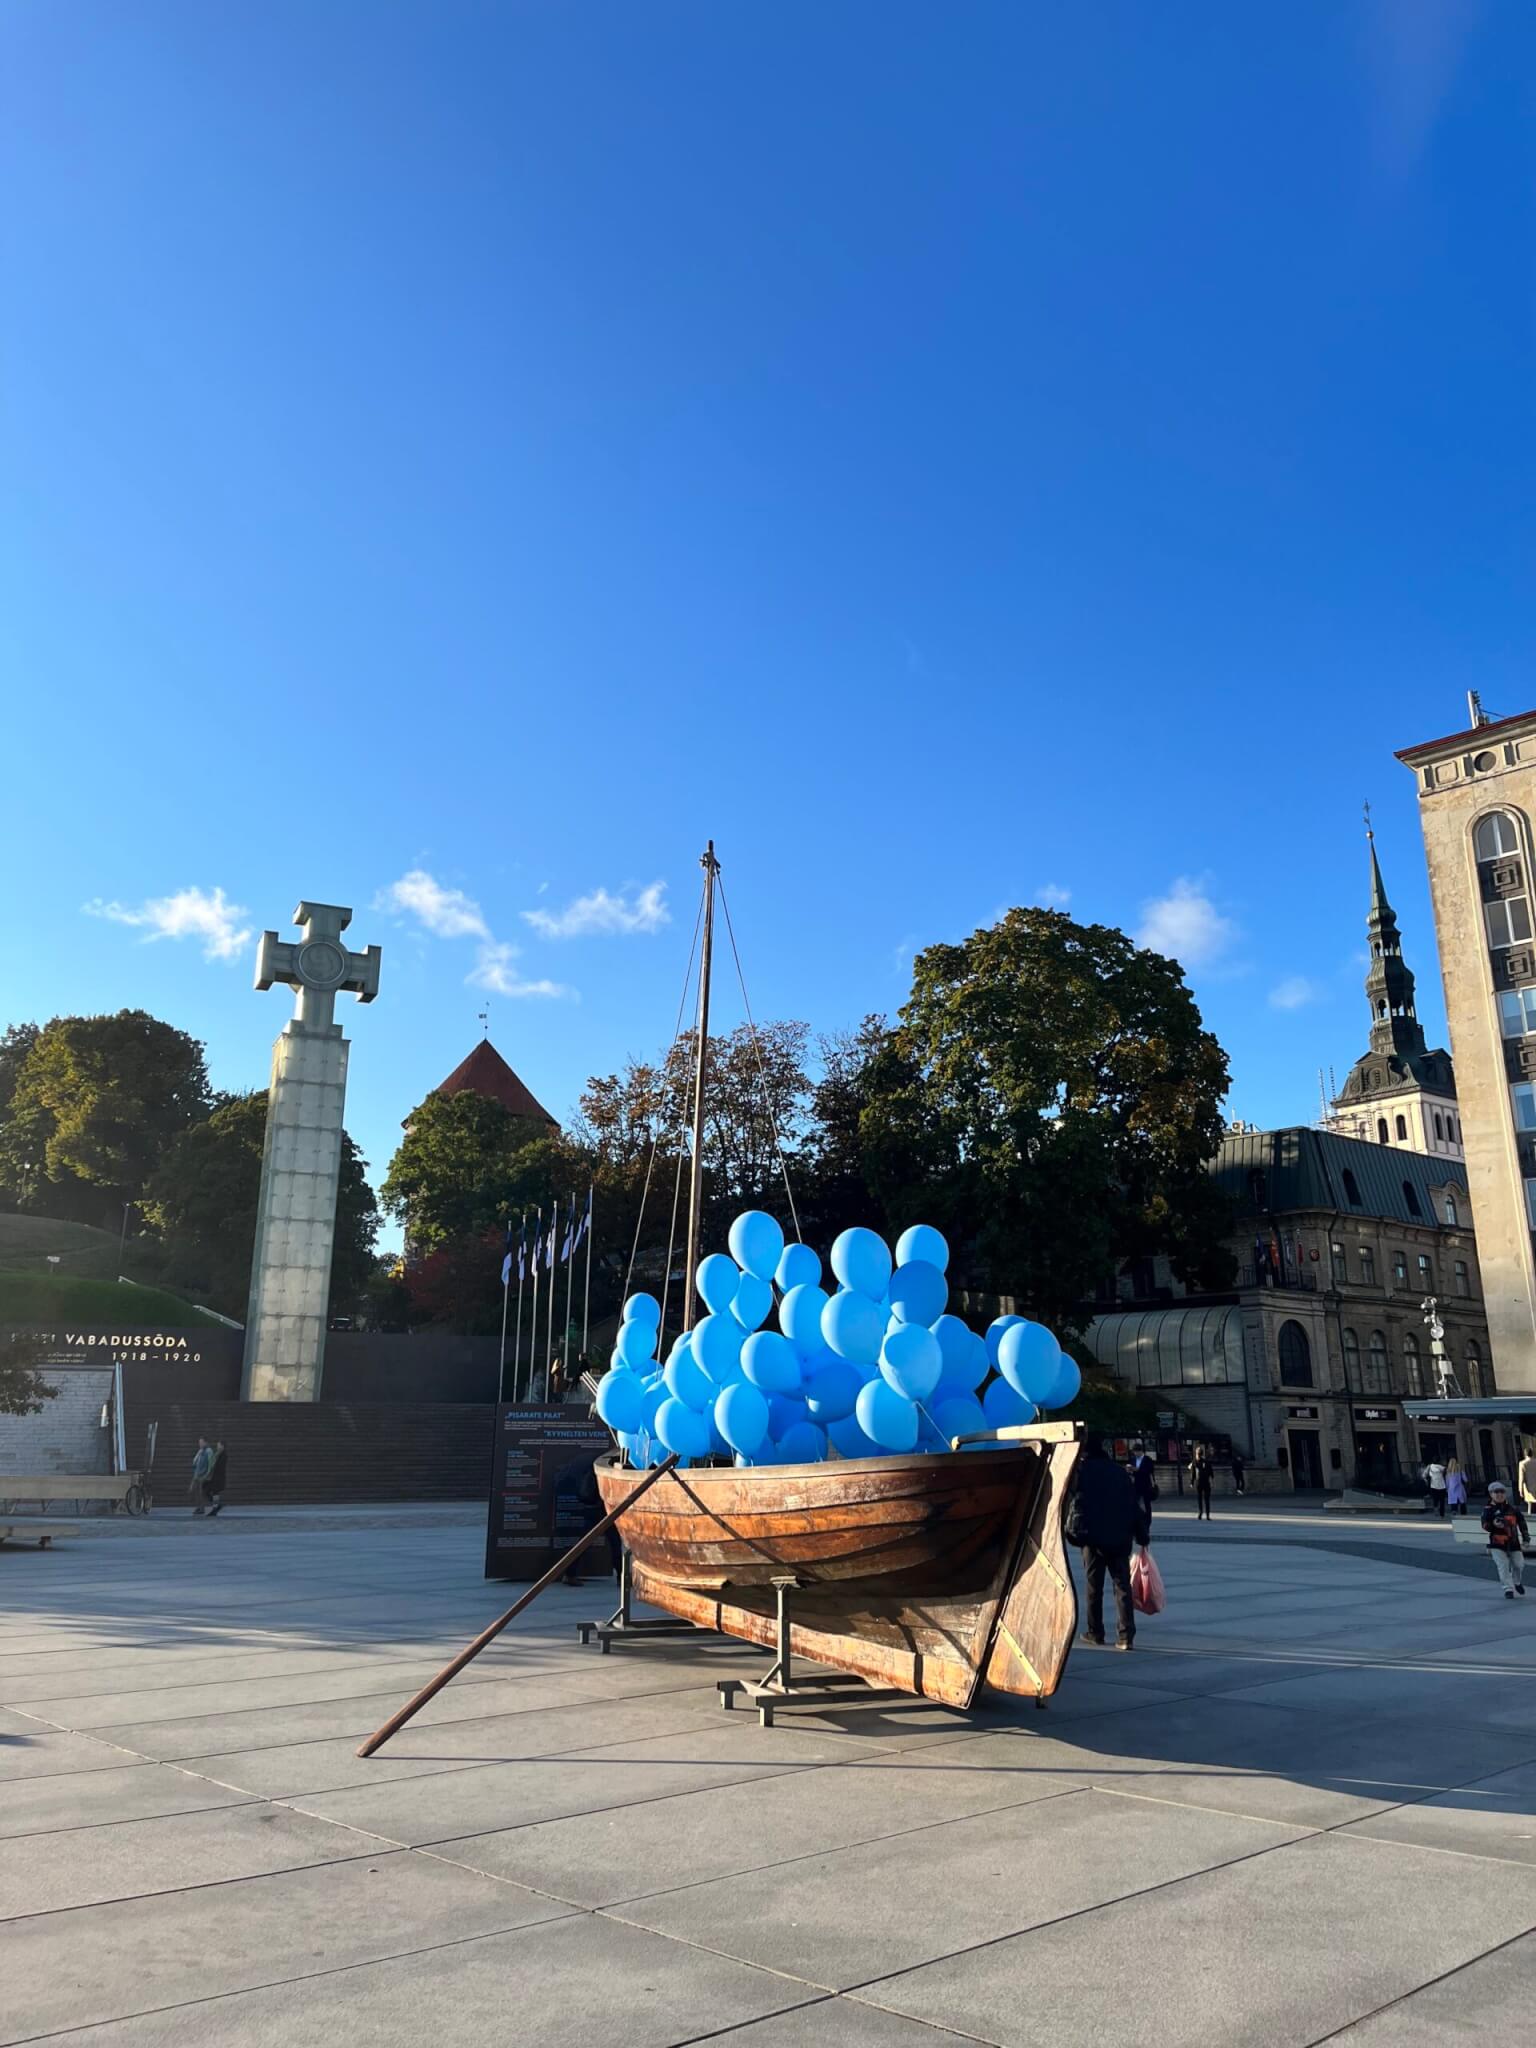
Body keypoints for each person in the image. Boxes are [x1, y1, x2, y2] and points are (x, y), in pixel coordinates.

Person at [1066, 1433, 1152, 1650]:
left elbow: (1075, 1503)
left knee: (1094, 1587)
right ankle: (1125, 1635)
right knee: (1122, 1585)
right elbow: (1133, 1505)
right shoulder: (1119, 1472)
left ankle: (1095, 1631)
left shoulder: (1082, 1472)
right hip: (1120, 1537)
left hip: (1093, 1538)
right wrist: (1142, 1535)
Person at [1481, 1480, 1529, 1599]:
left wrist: (1526, 1538)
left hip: (1513, 1542)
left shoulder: (1513, 1509)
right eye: (1496, 1492)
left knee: (1519, 1564)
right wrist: (1494, 1524)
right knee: (1503, 1566)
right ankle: (1508, 1588)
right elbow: (1485, 1526)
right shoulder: (1488, 1509)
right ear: (1491, 1494)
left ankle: (1517, 1582)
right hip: (1497, 1543)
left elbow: (1522, 1524)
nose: (1499, 1495)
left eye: (1502, 1492)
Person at [189, 1437, 213, 1515]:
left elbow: (210, 1464)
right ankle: (199, 1507)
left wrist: (207, 1474)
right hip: (197, 1475)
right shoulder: (200, 1451)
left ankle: (204, 1508)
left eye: (201, 1442)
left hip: (203, 1475)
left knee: (202, 1493)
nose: (200, 1444)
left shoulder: (209, 1451)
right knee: (196, 1492)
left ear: (206, 1442)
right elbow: (195, 1462)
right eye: (199, 1442)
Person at [1190, 1444, 1214, 1522]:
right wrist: (1212, 1480)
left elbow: (1193, 1473)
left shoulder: (1195, 1462)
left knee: (1199, 1498)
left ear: (1197, 1454)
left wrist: (1191, 1482)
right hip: (1206, 1481)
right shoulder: (1206, 1462)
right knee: (1207, 1499)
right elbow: (1211, 1472)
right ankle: (1207, 1515)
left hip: (1199, 1482)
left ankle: (1200, 1513)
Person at [205, 1441, 228, 1517]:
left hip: (218, 1478)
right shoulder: (217, 1454)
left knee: (215, 1493)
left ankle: (215, 1509)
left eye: (219, 1445)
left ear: (222, 1446)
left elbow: (219, 1467)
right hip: (214, 1477)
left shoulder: (224, 1455)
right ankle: (217, 1506)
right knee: (208, 1491)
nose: (217, 1447)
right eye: (217, 1445)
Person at [1518, 1443, 1536, 1519]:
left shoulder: (1522, 1463)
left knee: (1530, 1504)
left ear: (1525, 1454)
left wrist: (1520, 1490)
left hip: (1529, 1487)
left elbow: (1521, 1478)